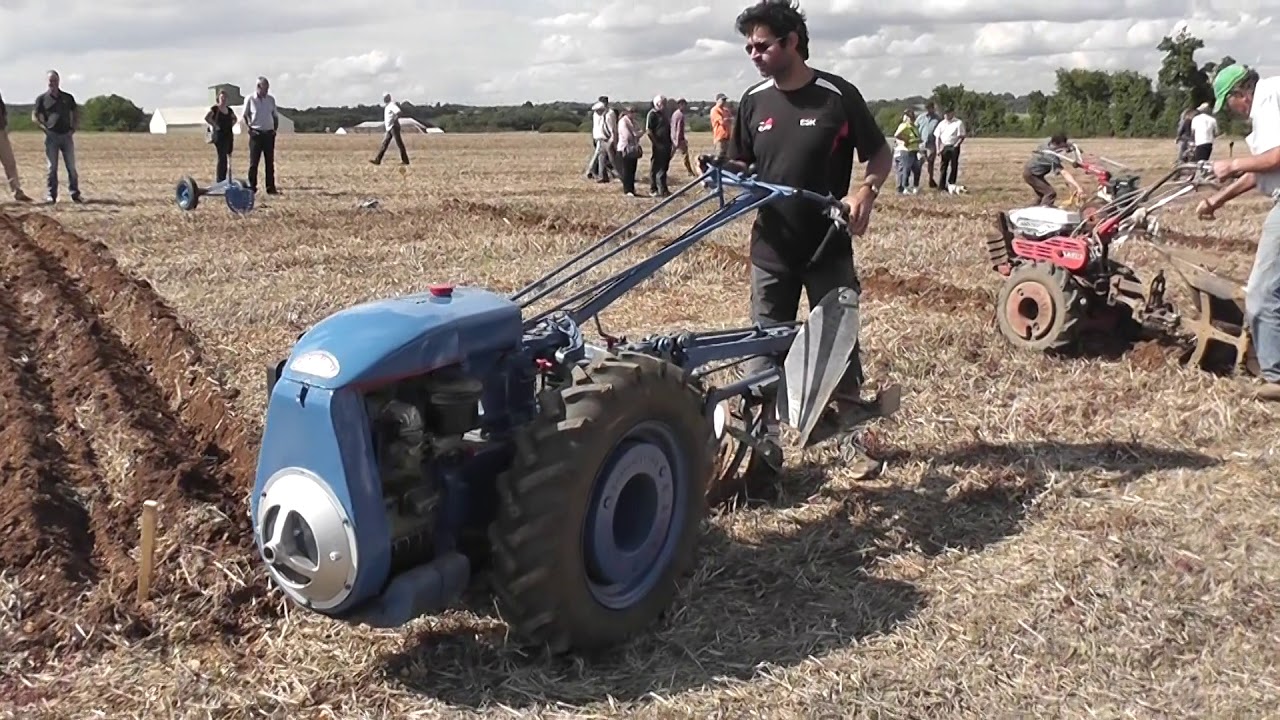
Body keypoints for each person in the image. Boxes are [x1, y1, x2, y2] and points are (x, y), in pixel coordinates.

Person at [718, 0, 892, 476]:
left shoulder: (836, 96)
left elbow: (879, 155)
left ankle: (849, 443)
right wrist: (722, 171)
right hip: (770, 248)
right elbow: (742, 162)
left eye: (762, 45)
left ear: (791, 41)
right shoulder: (753, 100)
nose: (753, 53)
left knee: (838, 345)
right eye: (749, 47)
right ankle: (760, 454)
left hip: (828, 247)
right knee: (762, 349)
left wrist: (866, 192)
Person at [1196, 63, 1280, 401]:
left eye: (1228, 102)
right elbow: (1260, 171)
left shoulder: (1267, 99)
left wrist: (1231, 164)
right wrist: (1217, 200)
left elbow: (1276, 157)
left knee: (1261, 293)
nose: (1231, 110)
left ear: (1239, 94)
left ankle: (1275, 375)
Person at [31, 70, 81, 204]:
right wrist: (42, 127)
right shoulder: (41, 99)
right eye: (50, 81)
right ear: (47, 82)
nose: (52, 83)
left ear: (59, 81)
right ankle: (51, 195)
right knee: (52, 167)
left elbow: (75, 112)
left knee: (71, 166)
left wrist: (74, 127)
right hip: (51, 136)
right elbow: (34, 115)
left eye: (55, 80)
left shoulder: (68, 97)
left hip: (66, 135)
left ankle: (75, 193)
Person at [1022, 134, 1084, 207]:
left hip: (1034, 172)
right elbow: (1064, 173)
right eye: (1063, 146)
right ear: (1056, 144)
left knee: (1041, 196)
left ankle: (1030, 210)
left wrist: (1077, 150)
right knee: (1050, 193)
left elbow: (1070, 144)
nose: (1065, 147)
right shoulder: (1050, 156)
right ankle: (1043, 212)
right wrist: (1078, 187)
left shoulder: (1049, 140)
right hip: (1031, 175)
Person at [242, 76, 280, 194]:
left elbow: (275, 116)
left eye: (267, 88)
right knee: (254, 163)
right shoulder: (250, 99)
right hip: (256, 134)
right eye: (265, 88)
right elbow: (245, 115)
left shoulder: (270, 99)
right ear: (258, 87)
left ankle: (271, 188)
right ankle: (252, 187)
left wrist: (274, 130)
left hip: (268, 134)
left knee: (270, 163)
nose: (267, 91)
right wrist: (250, 128)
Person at [0, 89, 32, 202]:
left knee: (10, 162)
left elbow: (2, 109)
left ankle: (17, 191)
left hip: (1, 131)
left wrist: (5, 125)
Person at [205, 89, 237, 183]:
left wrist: (231, 125)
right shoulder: (215, 109)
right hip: (219, 136)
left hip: (228, 134)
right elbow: (207, 118)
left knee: (228, 155)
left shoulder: (229, 110)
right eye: (221, 97)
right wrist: (215, 125)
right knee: (222, 157)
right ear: (218, 98)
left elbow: (235, 118)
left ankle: (227, 178)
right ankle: (220, 179)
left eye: (225, 97)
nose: (223, 99)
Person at [371, 93, 410, 166]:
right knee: (385, 144)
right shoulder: (388, 106)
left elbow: (399, 112)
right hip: (390, 128)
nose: (384, 99)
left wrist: (394, 120)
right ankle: (378, 160)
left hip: (393, 127)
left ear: (388, 98)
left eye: (385, 98)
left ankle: (405, 160)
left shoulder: (391, 105)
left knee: (399, 144)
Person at [645, 94, 672, 196]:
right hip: (658, 145)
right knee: (655, 167)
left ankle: (664, 189)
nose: (664, 105)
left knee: (664, 168)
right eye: (662, 103)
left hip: (666, 144)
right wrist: (656, 143)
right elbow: (648, 131)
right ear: (657, 103)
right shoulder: (652, 114)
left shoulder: (665, 114)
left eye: (665, 103)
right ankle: (653, 188)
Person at [933, 108, 965, 190]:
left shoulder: (958, 123)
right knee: (943, 166)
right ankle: (942, 186)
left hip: (954, 146)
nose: (946, 115)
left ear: (952, 113)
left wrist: (956, 145)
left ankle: (951, 184)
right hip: (944, 146)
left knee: (954, 165)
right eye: (945, 114)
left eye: (948, 114)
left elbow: (961, 136)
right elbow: (937, 137)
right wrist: (938, 148)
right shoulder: (941, 124)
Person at [893, 108, 921, 194]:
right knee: (906, 169)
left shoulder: (914, 126)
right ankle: (905, 187)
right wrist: (906, 140)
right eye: (910, 116)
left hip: (915, 149)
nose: (912, 118)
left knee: (917, 169)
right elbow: (897, 135)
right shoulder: (904, 125)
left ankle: (915, 186)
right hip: (907, 150)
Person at [915, 101, 941, 188]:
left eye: (930, 108)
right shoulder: (920, 118)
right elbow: (915, 128)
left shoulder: (937, 119)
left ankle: (931, 180)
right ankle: (916, 182)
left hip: (931, 144)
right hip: (921, 144)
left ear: (933, 108)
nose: (928, 110)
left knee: (930, 163)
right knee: (919, 163)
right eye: (927, 108)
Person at [710, 93, 733, 160]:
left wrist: (727, 119)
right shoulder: (715, 110)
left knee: (727, 157)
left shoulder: (726, 110)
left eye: (725, 100)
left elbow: (731, 120)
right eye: (722, 100)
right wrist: (727, 119)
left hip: (728, 136)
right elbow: (722, 122)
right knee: (719, 156)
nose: (724, 102)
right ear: (717, 100)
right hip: (720, 137)